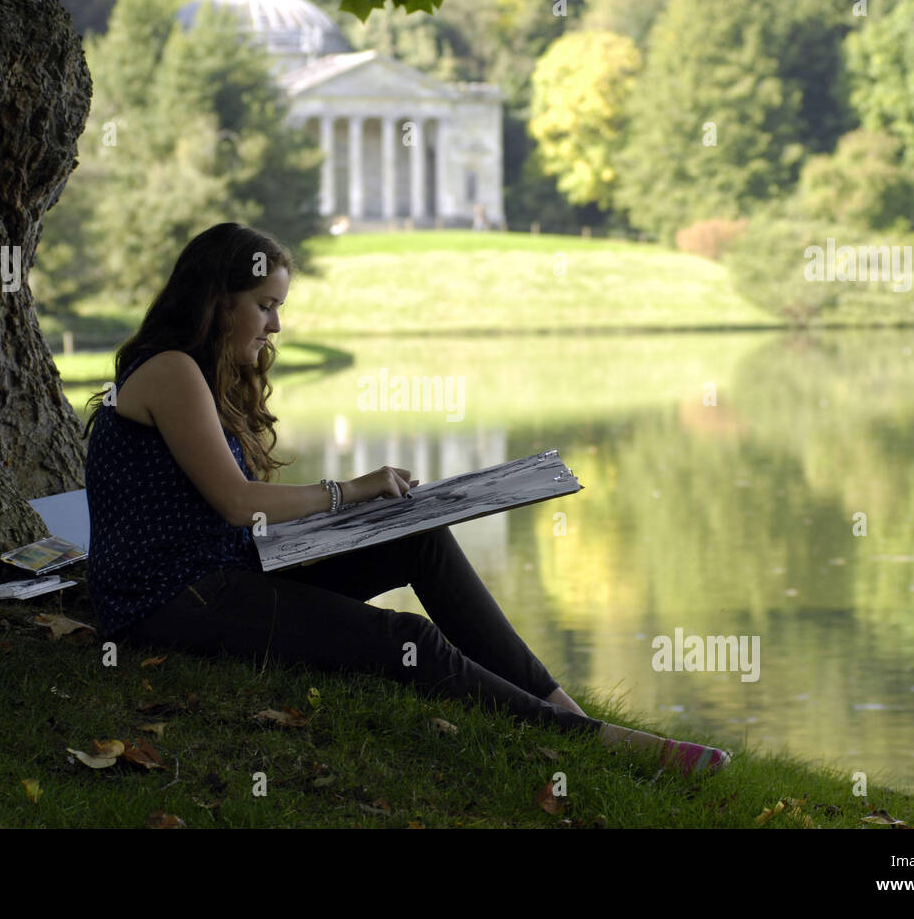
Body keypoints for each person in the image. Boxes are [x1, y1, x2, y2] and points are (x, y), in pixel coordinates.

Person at [82, 222, 731, 777]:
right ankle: (589, 741)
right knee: (402, 639)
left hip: (225, 572)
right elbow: (234, 501)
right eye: (264, 304)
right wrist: (350, 490)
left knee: (418, 537)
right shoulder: (171, 370)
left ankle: (565, 710)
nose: (276, 323)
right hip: (171, 600)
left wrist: (361, 515)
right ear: (217, 300)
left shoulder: (196, 371)